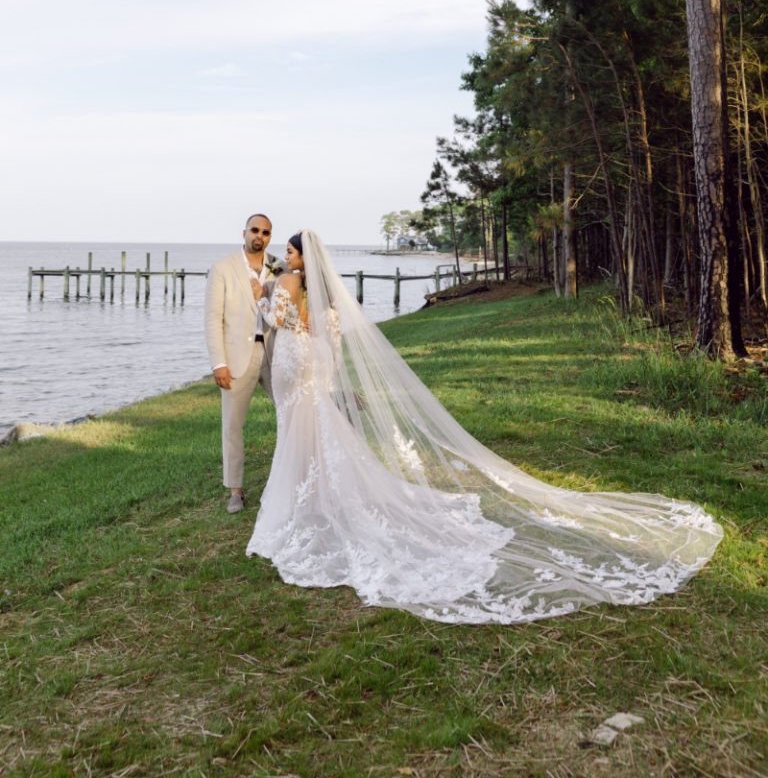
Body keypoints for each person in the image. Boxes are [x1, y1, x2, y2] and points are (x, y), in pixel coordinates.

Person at [245, 230, 723, 625]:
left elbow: (278, 321)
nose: (285, 257)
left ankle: (306, 505)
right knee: (314, 434)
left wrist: (260, 295)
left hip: (294, 370)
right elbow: (331, 346)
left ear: (304, 259)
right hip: (309, 371)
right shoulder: (324, 301)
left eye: (289, 251)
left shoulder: (285, 283)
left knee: (303, 433)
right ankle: (315, 498)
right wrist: (331, 381)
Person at [204, 214, 284, 513]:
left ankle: (291, 478)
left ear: (269, 236)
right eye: (254, 230)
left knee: (291, 415)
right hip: (238, 357)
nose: (259, 236)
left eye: (265, 232)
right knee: (233, 426)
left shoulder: (281, 266)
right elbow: (213, 320)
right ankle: (236, 490)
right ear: (244, 232)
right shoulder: (223, 268)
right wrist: (218, 364)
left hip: (277, 354)